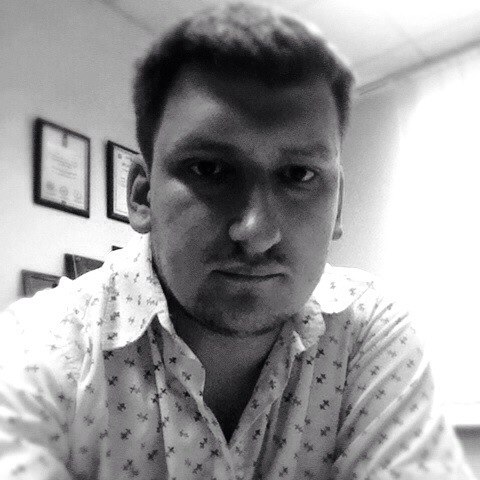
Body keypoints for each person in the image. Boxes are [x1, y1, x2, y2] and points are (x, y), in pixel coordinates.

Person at [0, 2, 475, 479]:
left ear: (338, 208)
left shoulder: (368, 332)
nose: (256, 232)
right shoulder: (37, 351)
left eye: (299, 175)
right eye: (209, 169)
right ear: (142, 197)